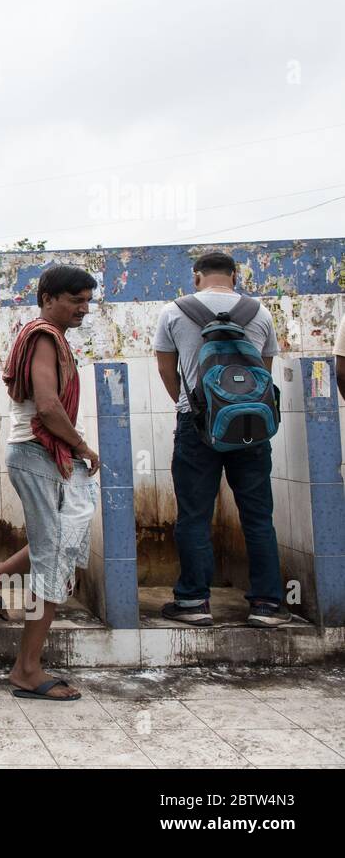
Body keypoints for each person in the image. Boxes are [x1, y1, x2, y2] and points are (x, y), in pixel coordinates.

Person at [154, 251, 289, 628]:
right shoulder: (259, 313)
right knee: (259, 517)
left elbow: (168, 371)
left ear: (197, 276)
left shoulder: (174, 312)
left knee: (195, 516)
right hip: (252, 428)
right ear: (235, 275)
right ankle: (266, 605)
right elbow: (264, 374)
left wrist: (194, 409)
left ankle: (194, 602)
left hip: (197, 427)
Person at [0, 265, 100, 701]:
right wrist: (82, 447)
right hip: (38, 453)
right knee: (53, 558)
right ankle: (27, 670)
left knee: (55, 544)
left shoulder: (47, 336)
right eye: (75, 300)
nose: (83, 308)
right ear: (47, 298)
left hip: (38, 454)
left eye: (87, 301)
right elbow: (47, 405)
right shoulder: (44, 336)